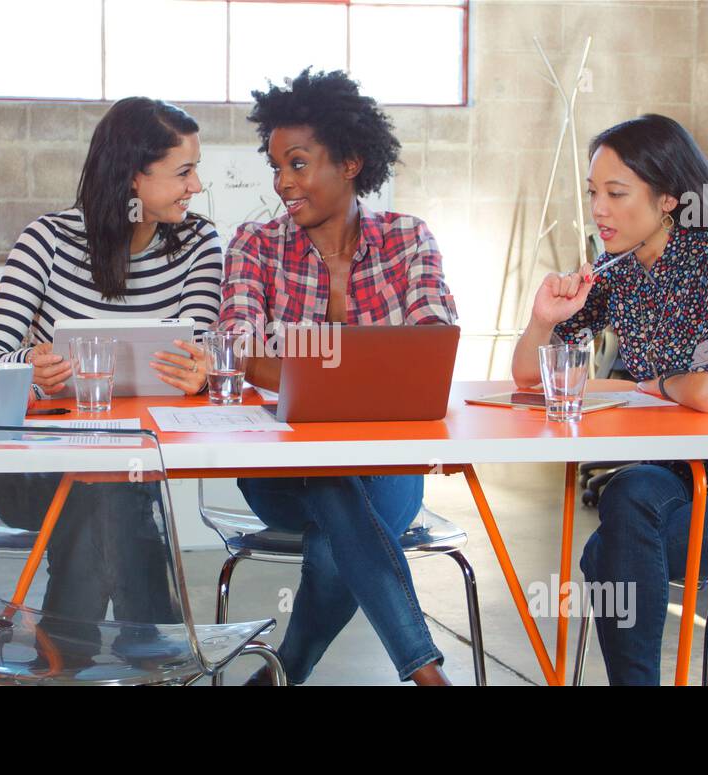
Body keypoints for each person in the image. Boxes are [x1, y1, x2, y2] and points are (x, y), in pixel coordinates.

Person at [511, 114, 708, 685]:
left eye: (616, 193)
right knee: (628, 490)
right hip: (689, 480)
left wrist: (639, 385)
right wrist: (541, 320)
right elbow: (532, 377)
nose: (598, 209)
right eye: (593, 193)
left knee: (608, 558)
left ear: (668, 200)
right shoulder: (617, 270)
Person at [221, 69, 457, 685]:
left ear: (351, 162)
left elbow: (432, 349)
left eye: (298, 164)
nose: (283, 184)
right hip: (279, 472)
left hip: (388, 468)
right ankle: (428, 675)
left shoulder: (408, 240)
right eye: (276, 168)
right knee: (327, 478)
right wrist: (345, 374)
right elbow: (238, 346)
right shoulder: (255, 243)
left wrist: (298, 368)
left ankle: (278, 675)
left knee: (335, 520)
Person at [0, 98, 220, 647]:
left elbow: (199, 350)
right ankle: (150, 642)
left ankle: (64, 655)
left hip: (131, 463)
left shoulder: (199, 244)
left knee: (107, 484)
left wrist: (200, 372)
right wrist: (30, 369)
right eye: (183, 171)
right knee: (112, 486)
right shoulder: (47, 241)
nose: (196, 186)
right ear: (132, 176)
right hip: (32, 467)